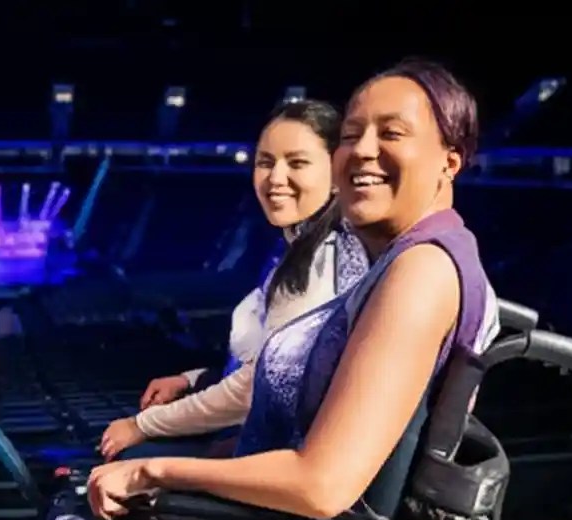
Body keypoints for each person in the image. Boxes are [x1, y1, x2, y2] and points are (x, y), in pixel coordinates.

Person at [23, 59, 499, 520]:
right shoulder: (429, 254)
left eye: (391, 133)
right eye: (352, 133)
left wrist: (153, 470)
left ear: (450, 157)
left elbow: (321, 484)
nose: (361, 149)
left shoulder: (415, 275)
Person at [99, 99, 371, 462]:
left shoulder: (321, 263)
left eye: (297, 162)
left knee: (115, 466)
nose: (275, 178)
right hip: (265, 442)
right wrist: (193, 379)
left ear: (338, 175)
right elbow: (266, 365)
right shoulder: (308, 248)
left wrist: (142, 425)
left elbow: (257, 392)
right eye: (265, 162)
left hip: (276, 460)